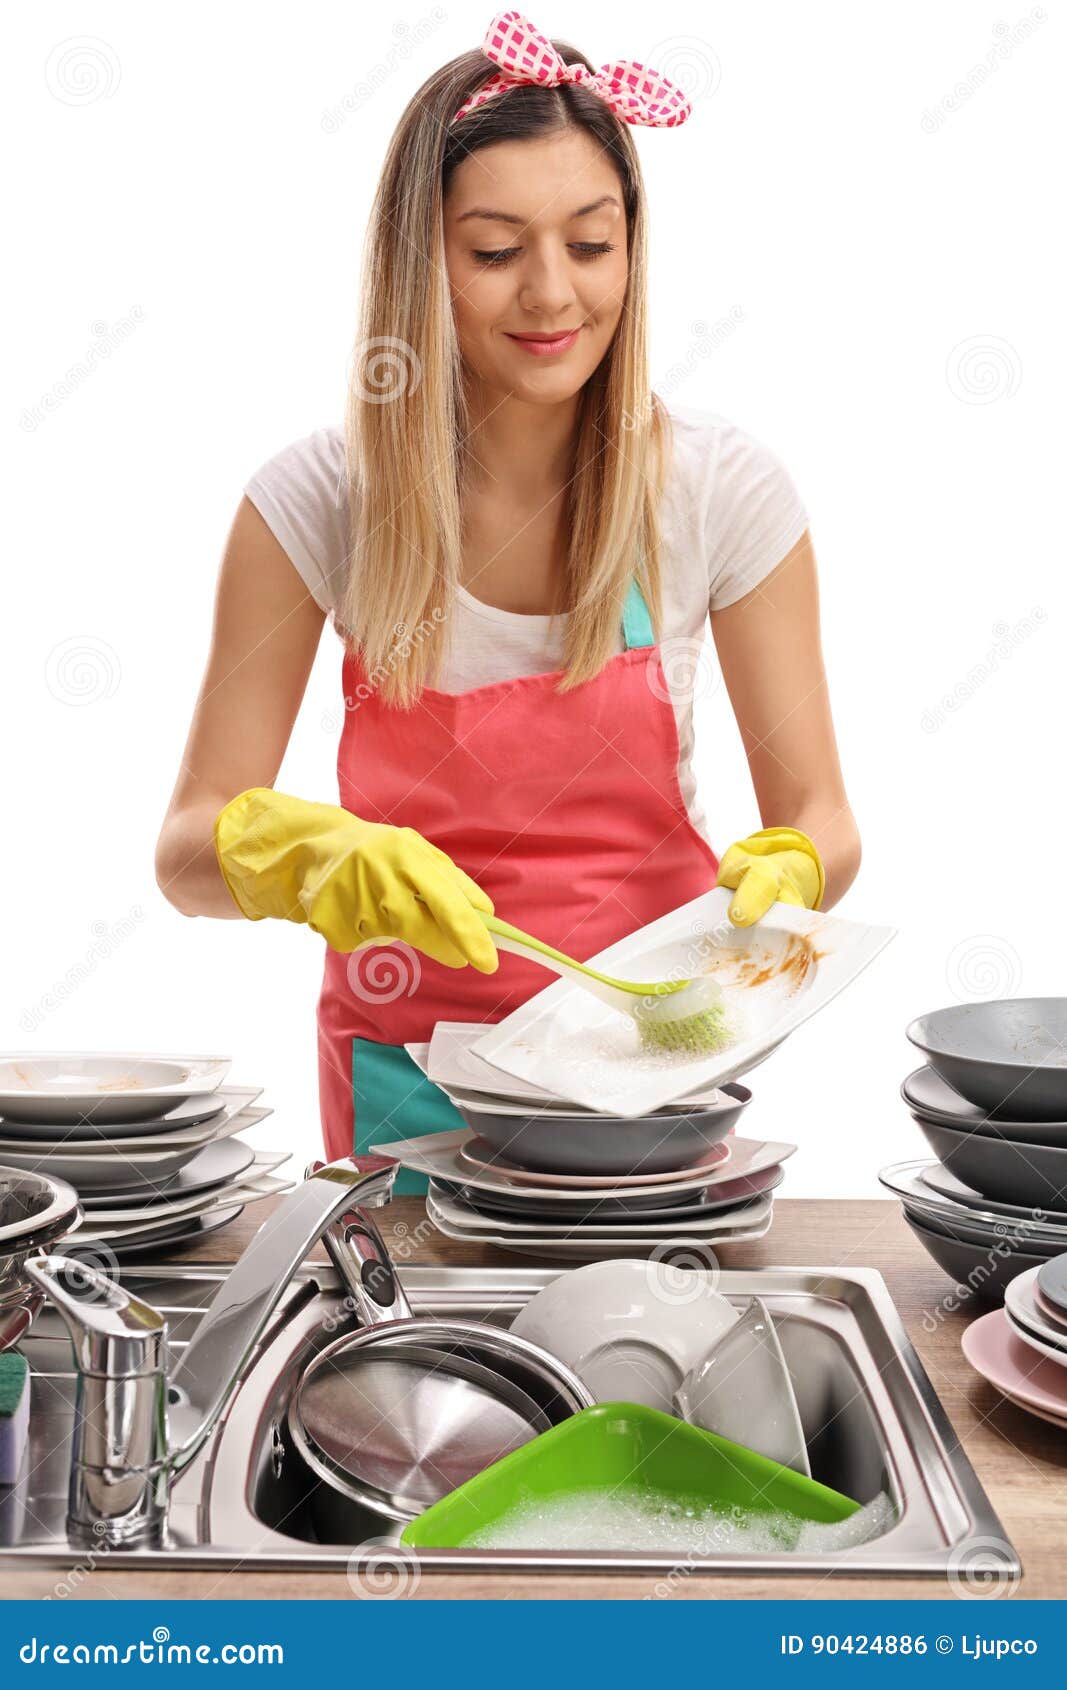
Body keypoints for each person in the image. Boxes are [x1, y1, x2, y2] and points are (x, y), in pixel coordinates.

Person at [155, 12, 860, 1188]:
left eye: (589, 243)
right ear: (420, 260)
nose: (550, 294)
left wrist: (793, 864)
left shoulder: (717, 491)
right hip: (409, 1081)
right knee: (414, 1312)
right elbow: (184, 850)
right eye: (493, 252)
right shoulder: (315, 501)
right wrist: (294, 853)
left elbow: (824, 817)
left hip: (644, 1079)